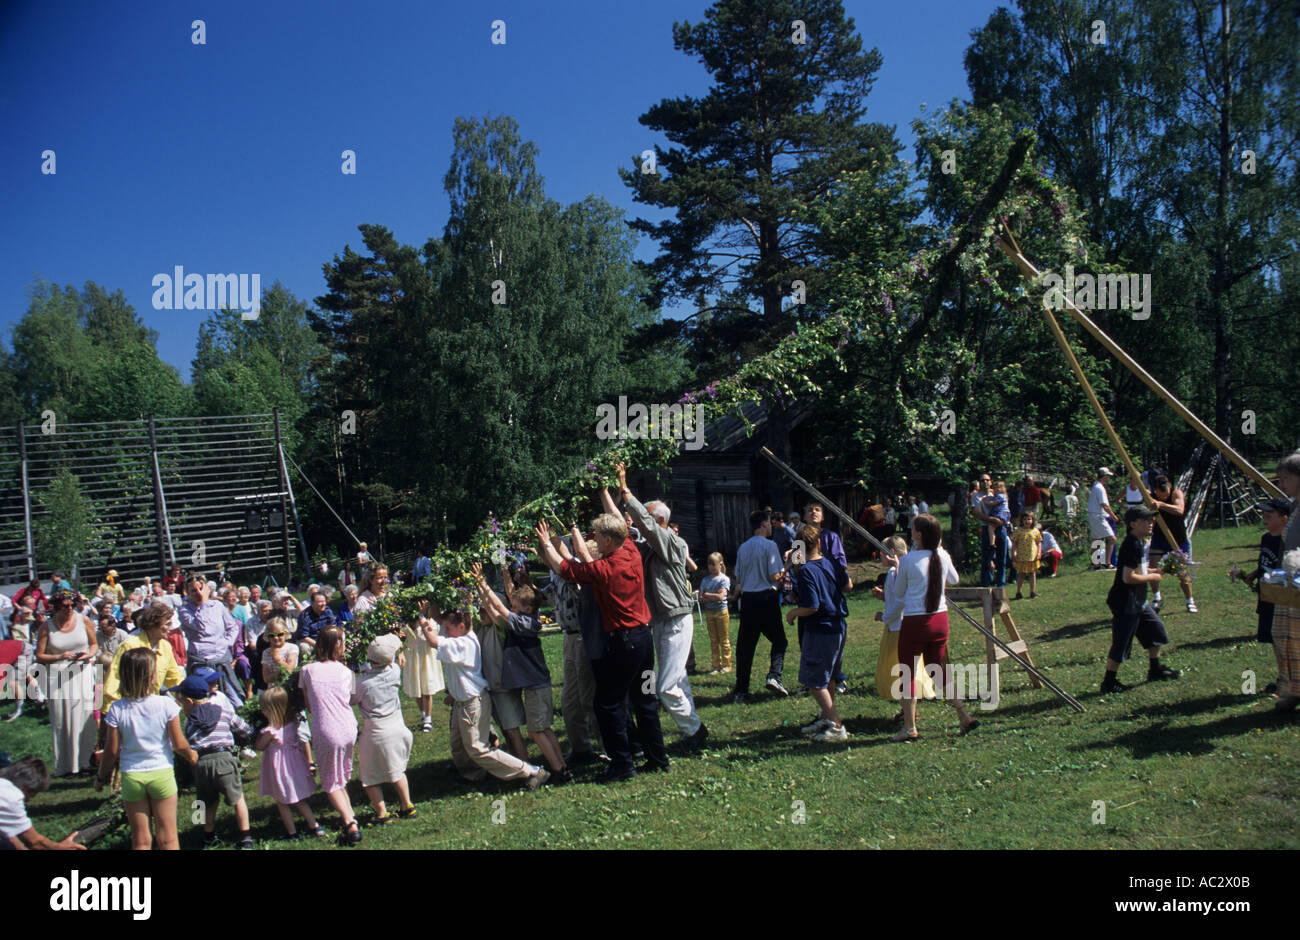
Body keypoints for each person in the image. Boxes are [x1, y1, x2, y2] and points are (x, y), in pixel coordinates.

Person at [534, 514, 670, 782]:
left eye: (596, 535)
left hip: (624, 646)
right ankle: (658, 758)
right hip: (644, 642)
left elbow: (565, 570)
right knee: (645, 699)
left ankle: (622, 764)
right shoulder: (630, 551)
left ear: (608, 539)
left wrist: (546, 543)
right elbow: (614, 526)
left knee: (608, 703)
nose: (592, 538)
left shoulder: (604, 570)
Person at [609, 463, 707, 748]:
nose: (640, 526)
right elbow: (623, 527)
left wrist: (626, 490)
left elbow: (644, 523)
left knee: (664, 686)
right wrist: (610, 493)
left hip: (676, 619)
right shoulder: (651, 548)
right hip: (662, 621)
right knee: (679, 681)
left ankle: (696, 731)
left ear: (660, 522)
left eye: (646, 521)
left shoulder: (672, 543)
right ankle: (692, 731)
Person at [422, 609, 550, 788]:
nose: (445, 631)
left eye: (448, 628)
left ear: (461, 626)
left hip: (472, 703)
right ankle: (474, 776)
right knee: (459, 746)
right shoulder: (457, 635)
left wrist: (421, 620)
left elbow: (434, 640)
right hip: (462, 702)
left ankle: (532, 771)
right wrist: (430, 609)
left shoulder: (464, 644)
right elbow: (441, 626)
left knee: (478, 748)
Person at [472, 563, 570, 781]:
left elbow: (501, 608)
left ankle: (558, 771)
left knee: (535, 731)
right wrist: (504, 575)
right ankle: (562, 766)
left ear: (525, 609)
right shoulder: (526, 619)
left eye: (514, 607)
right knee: (544, 729)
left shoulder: (525, 623)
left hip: (536, 687)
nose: (511, 608)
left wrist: (482, 584)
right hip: (538, 685)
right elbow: (502, 603)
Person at [96, 647, 198, 850]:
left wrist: (100, 776)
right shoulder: (166, 705)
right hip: (161, 773)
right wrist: (192, 755)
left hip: (132, 776)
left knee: (141, 839)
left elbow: (112, 751)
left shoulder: (117, 709)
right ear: (152, 676)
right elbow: (179, 744)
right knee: (168, 837)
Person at [892, 513, 979, 742]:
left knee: (908, 673)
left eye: (913, 529)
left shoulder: (909, 560)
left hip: (915, 621)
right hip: (940, 620)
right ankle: (963, 714)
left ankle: (910, 727)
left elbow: (899, 592)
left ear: (919, 535)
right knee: (937, 671)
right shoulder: (942, 554)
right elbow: (954, 579)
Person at [1100, 507, 1182, 692]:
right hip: (1126, 601)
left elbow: (1139, 570)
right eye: (1146, 520)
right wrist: (1153, 578)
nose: (1151, 523)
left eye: (1151, 520)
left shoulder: (1139, 541)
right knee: (1122, 642)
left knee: (1155, 630)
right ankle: (1109, 682)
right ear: (1133, 524)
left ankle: (1155, 669)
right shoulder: (1131, 544)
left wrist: (1156, 571)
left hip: (1138, 599)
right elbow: (1128, 577)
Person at [540, 533, 606, 765]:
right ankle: (581, 749)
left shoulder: (579, 568)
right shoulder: (555, 571)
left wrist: (548, 534)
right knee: (570, 701)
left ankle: (610, 746)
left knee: (590, 698)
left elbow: (561, 557)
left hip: (583, 637)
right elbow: (547, 594)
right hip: (568, 637)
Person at [169, 674, 254, 849]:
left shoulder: (189, 723)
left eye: (182, 703)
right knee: (238, 798)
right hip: (225, 760)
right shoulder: (223, 711)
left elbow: (191, 745)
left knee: (205, 802)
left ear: (190, 702)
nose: (182, 707)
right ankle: (245, 837)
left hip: (202, 764)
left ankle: (207, 836)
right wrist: (250, 732)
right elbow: (243, 728)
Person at [786, 523, 850, 742]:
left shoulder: (805, 571)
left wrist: (793, 613)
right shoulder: (830, 563)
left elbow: (812, 606)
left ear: (798, 548)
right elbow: (848, 584)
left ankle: (836, 725)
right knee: (829, 675)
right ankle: (825, 717)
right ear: (820, 543)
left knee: (814, 681)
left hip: (820, 628)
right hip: (839, 626)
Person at [298, 627, 361, 844]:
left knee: (331, 782)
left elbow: (308, 704)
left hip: (326, 729)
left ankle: (350, 824)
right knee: (340, 776)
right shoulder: (346, 672)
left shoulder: (307, 671)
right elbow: (351, 698)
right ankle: (350, 814)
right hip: (349, 727)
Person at [352, 634, 418, 824]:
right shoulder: (394, 671)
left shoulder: (362, 683)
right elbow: (394, 656)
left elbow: (349, 698)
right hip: (397, 727)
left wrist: (349, 671)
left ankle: (382, 812)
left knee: (369, 775)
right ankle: (407, 805)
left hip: (376, 732)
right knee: (397, 771)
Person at [730, 510, 793, 702]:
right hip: (766, 598)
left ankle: (741, 689)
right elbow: (774, 576)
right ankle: (774, 675)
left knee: (745, 646)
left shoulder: (743, 548)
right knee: (779, 640)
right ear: (764, 525)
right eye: (769, 524)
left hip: (748, 600)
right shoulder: (770, 545)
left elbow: (738, 578)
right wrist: (788, 566)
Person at [34, 591, 98, 776]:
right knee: (61, 718)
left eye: (71, 605)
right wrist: (59, 656)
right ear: (56, 607)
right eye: (65, 606)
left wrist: (90, 654)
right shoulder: (47, 627)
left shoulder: (83, 620)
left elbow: (93, 645)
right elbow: (39, 655)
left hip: (82, 671)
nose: (69, 609)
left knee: (84, 716)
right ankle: (64, 766)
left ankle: (85, 762)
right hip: (58, 675)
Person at [872, 536, 936, 711]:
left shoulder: (895, 572)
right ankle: (906, 710)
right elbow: (897, 597)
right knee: (903, 670)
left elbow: (900, 602)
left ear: (891, 552)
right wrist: (884, 597)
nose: (880, 557)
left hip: (898, 626)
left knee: (900, 670)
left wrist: (884, 617)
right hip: (899, 624)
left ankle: (909, 711)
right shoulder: (901, 570)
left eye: (881, 553)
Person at [255, 685, 324, 839]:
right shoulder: (293, 724)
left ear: (274, 710)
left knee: (282, 801)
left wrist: (256, 736)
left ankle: (291, 832)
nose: (262, 712)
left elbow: (259, 746)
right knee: (299, 800)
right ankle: (314, 826)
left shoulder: (271, 731)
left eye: (265, 709)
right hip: (294, 765)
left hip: (281, 768)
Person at [100, 602, 186, 712]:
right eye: (167, 624)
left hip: (150, 707)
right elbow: (113, 681)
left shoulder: (165, 647)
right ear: (153, 624)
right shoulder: (130, 645)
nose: (171, 628)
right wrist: (113, 716)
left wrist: (188, 701)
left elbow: (175, 679)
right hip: (127, 709)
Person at [1243, 498, 1290, 696]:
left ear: (1284, 518)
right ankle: (1282, 678)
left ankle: (1287, 682)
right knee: (1273, 639)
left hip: (1282, 597)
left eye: (1270, 516)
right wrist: (1255, 573)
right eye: (1264, 515)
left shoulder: (1289, 541)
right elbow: (1266, 562)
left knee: (1284, 640)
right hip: (1266, 597)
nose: (1265, 518)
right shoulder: (1266, 538)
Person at [1267, 452, 1300, 713]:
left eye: (1286, 478)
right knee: (1283, 635)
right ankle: (1293, 689)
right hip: (1288, 580)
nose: (1282, 483)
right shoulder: (1295, 505)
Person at [178, 575, 244, 703]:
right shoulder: (184, 611)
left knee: (234, 697)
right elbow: (201, 626)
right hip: (201, 660)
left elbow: (233, 627)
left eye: (201, 589)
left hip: (220, 656)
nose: (198, 593)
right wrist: (203, 603)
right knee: (204, 699)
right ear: (188, 593)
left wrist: (227, 642)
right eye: (193, 590)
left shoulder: (217, 606)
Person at [0, 757, 85, 850]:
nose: (27, 801)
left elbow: (10, 834)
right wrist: (60, 847)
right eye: (31, 796)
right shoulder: (10, 797)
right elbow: (35, 842)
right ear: (24, 789)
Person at [1146, 474, 1197, 613]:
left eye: (1165, 493)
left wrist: (1161, 504)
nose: (1163, 496)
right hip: (1159, 537)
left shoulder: (1176, 493)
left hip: (1177, 538)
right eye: (1160, 494)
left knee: (1181, 572)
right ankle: (1157, 598)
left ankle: (1189, 601)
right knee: (1153, 567)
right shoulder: (1150, 495)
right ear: (1155, 490)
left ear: (1169, 487)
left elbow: (1179, 510)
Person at [400, 596, 444, 734]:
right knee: (416, 688)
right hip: (413, 655)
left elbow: (432, 635)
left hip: (426, 655)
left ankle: (428, 717)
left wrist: (423, 616)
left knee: (427, 687)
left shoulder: (429, 620)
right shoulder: (408, 622)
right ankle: (423, 714)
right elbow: (403, 636)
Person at [699, 552, 733, 674]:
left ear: (720, 564)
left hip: (721, 612)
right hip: (709, 612)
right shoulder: (705, 580)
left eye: (714, 564)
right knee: (713, 640)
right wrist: (711, 596)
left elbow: (720, 597)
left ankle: (727, 664)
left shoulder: (724, 579)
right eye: (709, 564)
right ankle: (715, 665)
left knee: (724, 640)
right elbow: (700, 598)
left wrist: (707, 594)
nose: (711, 567)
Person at [982, 481, 1012, 588]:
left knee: (1001, 558)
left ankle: (1001, 584)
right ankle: (992, 542)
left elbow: (993, 503)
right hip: (997, 519)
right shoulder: (995, 494)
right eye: (995, 488)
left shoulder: (1000, 496)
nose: (996, 490)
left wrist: (985, 501)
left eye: (999, 488)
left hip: (1001, 515)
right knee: (991, 527)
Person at [1088, 468, 1120, 569]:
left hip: (1093, 515)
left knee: (1096, 540)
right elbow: (1104, 505)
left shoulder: (1095, 486)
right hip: (1098, 516)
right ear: (1104, 476)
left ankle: (1096, 563)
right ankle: (1107, 563)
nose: (1108, 478)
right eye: (1108, 476)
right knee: (1112, 539)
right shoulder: (1100, 488)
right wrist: (1113, 516)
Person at [1011, 511, 1042, 600]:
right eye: (1025, 519)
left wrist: (1039, 552)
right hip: (1022, 556)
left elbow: (1039, 542)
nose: (1027, 521)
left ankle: (1032, 591)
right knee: (1022, 574)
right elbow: (1014, 543)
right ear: (1021, 521)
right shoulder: (1018, 531)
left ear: (1032, 520)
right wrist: (1013, 552)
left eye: (1029, 519)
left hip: (1032, 556)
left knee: (1032, 573)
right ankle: (1018, 592)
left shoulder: (1035, 531)